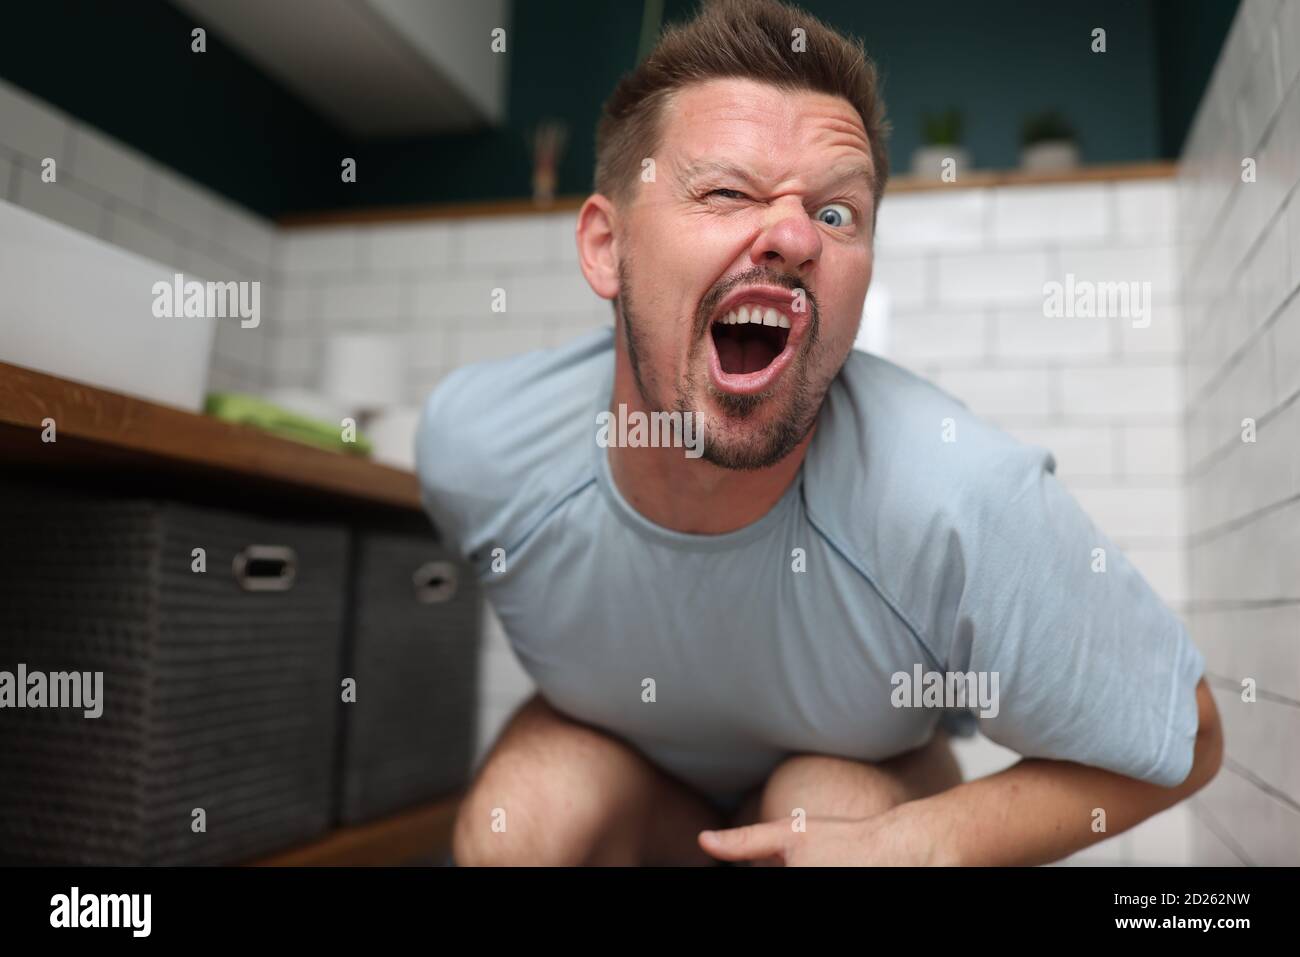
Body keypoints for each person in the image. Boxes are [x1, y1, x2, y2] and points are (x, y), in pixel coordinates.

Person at [417, 0, 1222, 866]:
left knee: (819, 802)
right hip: (634, 780)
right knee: (521, 821)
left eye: (838, 215)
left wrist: (922, 842)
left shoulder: (959, 499)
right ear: (606, 249)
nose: (797, 235)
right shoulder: (480, 449)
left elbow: (1190, 736)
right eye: (727, 191)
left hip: (857, 788)